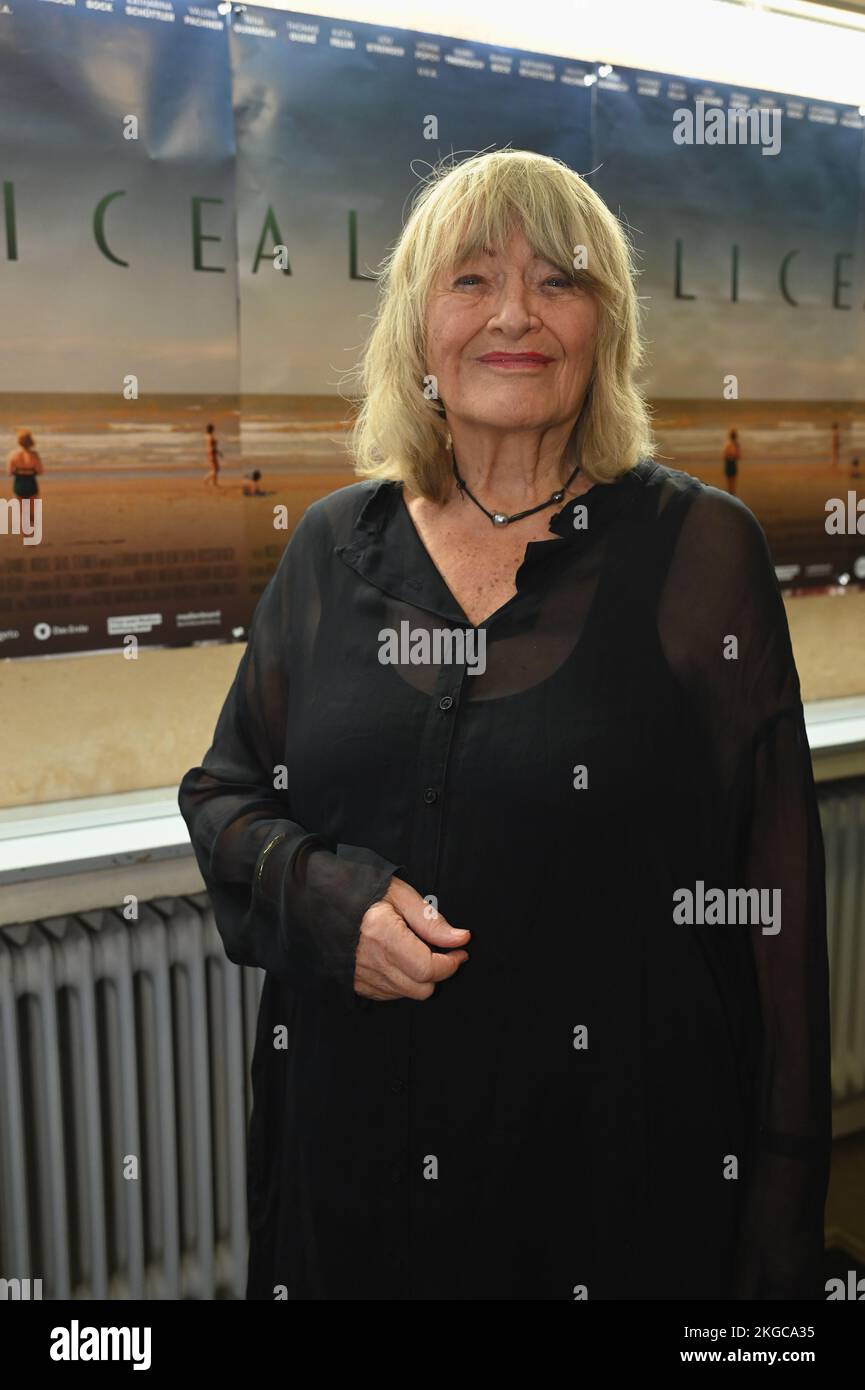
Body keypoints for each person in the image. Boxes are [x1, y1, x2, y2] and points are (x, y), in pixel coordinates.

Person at [178, 150, 831, 1301]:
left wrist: (779, 1223)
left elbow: (775, 912)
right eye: (471, 280)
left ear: (605, 327)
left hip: (610, 1185)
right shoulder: (332, 549)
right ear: (417, 329)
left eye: (559, 282)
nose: (515, 314)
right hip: (361, 1171)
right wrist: (332, 903)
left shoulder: (701, 556)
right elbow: (224, 794)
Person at [7, 428, 43, 499]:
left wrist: (18, 471)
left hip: (19, 485)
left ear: (19, 440)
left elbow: (9, 472)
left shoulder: (13, 454)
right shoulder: (34, 455)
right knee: (32, 510)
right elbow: (40, 472)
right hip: (31, 485)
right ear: (30, 440)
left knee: (18, 510)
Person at [723, 428, 740, 495]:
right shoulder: (736, 445)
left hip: (729, 463)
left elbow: (724, 455)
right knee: (733, 482)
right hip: (733, 463)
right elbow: (738, 456)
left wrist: (730, 457)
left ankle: (731, 495)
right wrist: (733, 457)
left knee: (729, 482)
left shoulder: (728, 444)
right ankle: (732, 495)